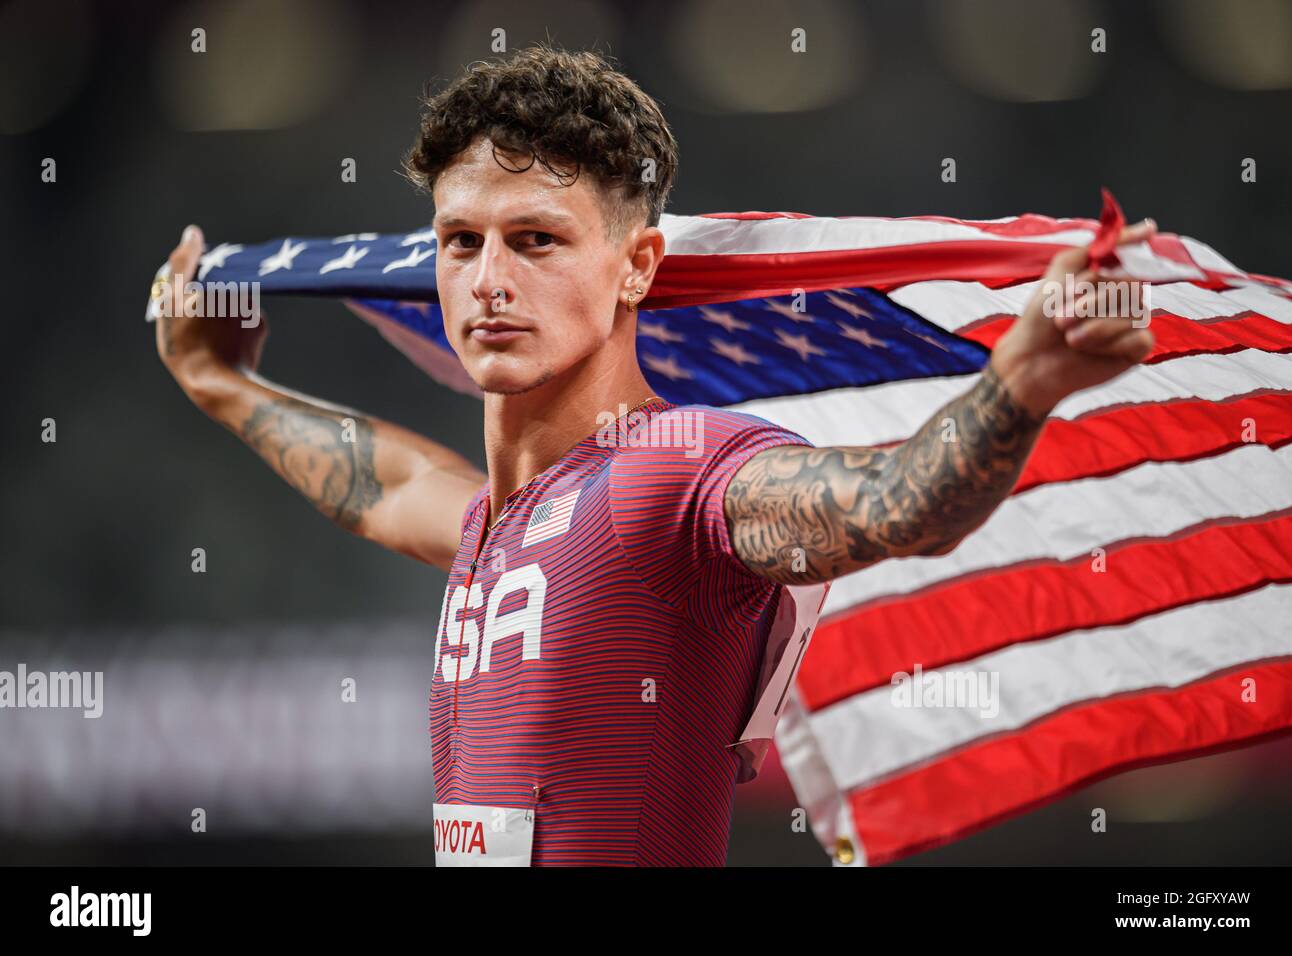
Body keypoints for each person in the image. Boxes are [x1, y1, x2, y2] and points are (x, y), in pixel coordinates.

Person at [153, 43, 1155, 866]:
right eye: (460, 242)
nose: (489, 279)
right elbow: (385, 480)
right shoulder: (488, 524)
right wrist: (219, 382)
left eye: (536, 240)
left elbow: (892, 502)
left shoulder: (677, 468)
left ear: (637, 264)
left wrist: (1018, 384)